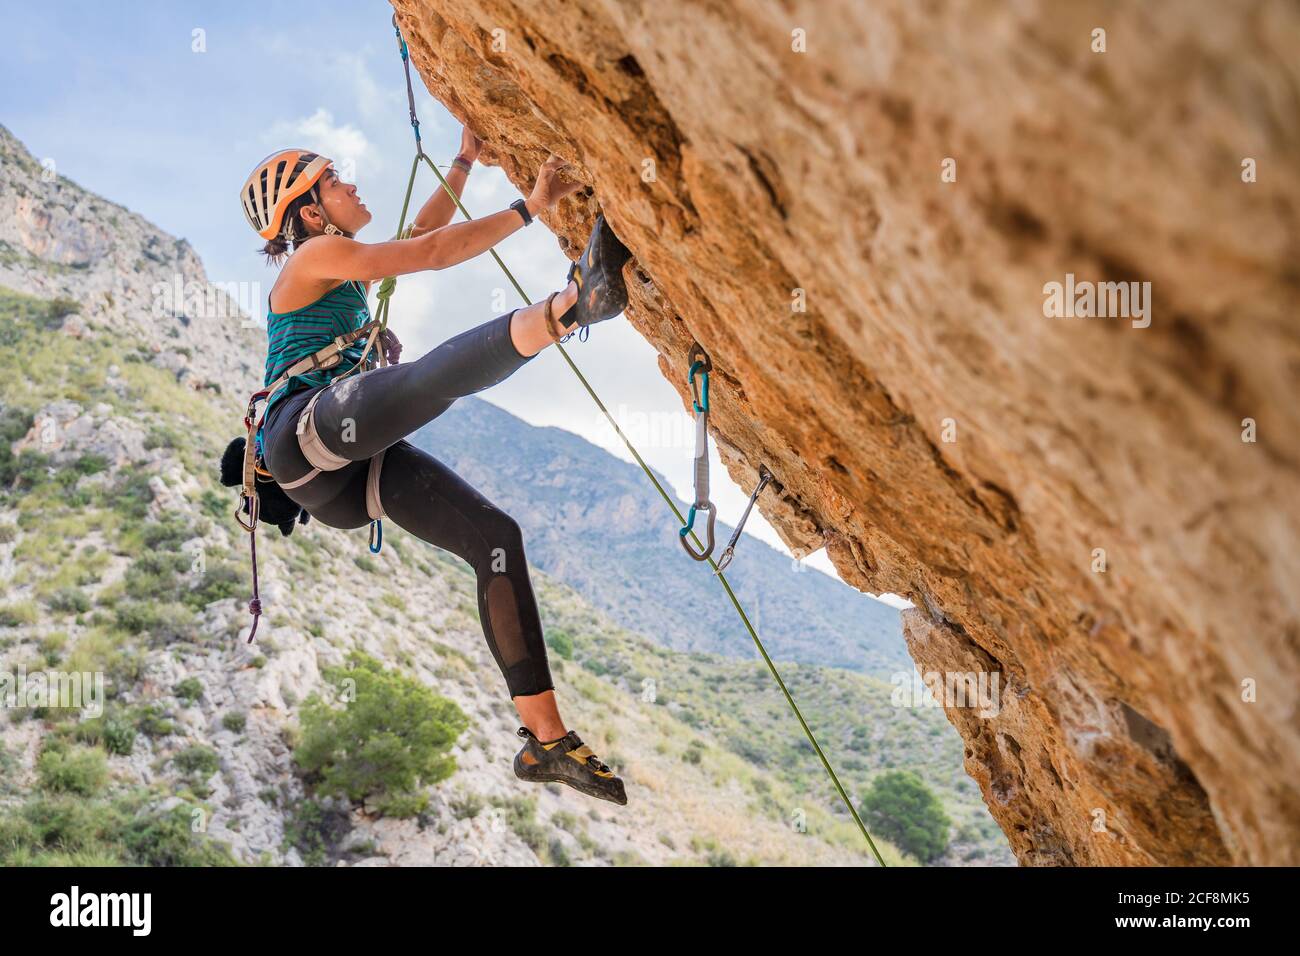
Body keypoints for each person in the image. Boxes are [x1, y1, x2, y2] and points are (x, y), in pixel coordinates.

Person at [238, 126, 632, 805]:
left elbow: (421, 231)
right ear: (308, 214)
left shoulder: (335, 257)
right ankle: (573, 305)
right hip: (302, 434)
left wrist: (467, 159)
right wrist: (528, 208)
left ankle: (545, 741)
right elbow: (424, 252)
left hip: (342, 479)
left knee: (496, 539)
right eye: (334, 180)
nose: (351, 185)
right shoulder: (313, 257)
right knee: (424, 383)